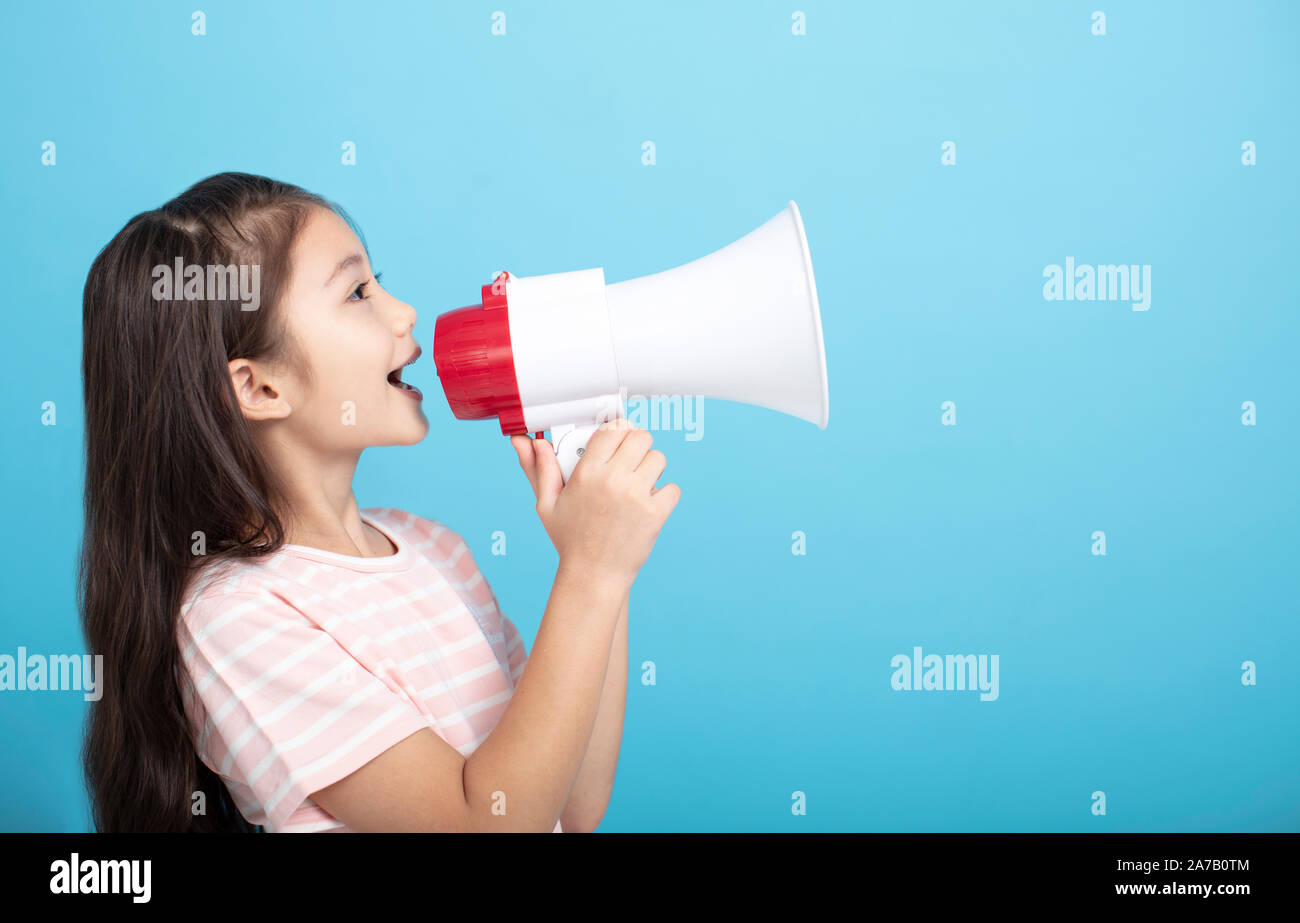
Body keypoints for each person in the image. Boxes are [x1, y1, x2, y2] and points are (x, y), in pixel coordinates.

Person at [79, 172, 680, 832]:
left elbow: (572, 804)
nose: (404, 313)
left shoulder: (432, 547)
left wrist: (603, 565)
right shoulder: (234, 616)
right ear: (259, 386)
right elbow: (488, 824)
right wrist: (588, 574)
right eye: (358, 292)